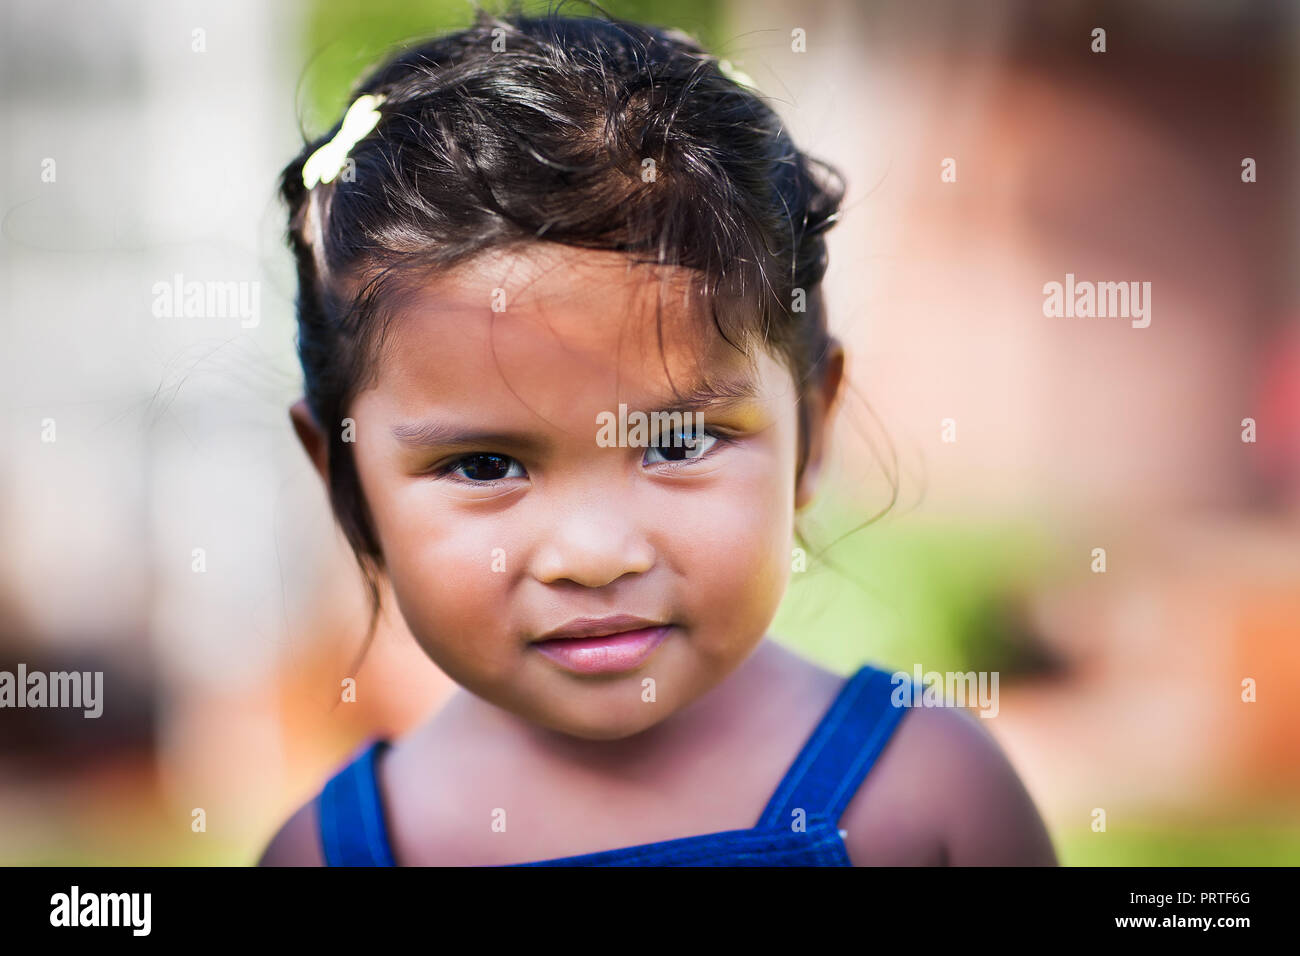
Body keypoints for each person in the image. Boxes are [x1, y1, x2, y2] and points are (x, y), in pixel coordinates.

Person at [258, 5, 1057, 866]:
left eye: (677, 442)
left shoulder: (926, 797)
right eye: (485, 464)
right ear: (344, 478)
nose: (595, 554)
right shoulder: (328, 853)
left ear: (813, 426)